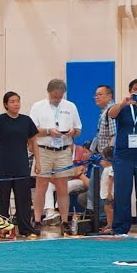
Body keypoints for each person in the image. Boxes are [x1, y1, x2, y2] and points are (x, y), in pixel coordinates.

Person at [0, 90, 40, 238]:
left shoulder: (26, 121)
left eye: (18, 101)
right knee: (2, 199)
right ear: (6, 105)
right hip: (2, 166)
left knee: (23, 199)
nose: (16, 104)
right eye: (12, 102)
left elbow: (33, 141)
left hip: (21, 165)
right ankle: (3, 228)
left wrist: (38, 162)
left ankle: (26, 228)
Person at [28, 78, 82, 230]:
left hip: (64, 149)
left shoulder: (70, 106)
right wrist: (48, 131)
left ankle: (65, 221)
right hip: (44, 149)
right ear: (48, 93)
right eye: (54, 96)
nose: (57, 99)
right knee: (41, 185)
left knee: (62, 186)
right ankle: (38, 219)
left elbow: (78, 129)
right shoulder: (38, 107)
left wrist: (72, 132)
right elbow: (31, 130)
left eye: (60, 96)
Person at [105, 77, 137, 235]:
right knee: (122, 192)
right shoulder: (123, 107)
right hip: (123, 155)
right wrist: (123, 103)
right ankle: (119, 227)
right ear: (130, 91)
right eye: (135, 89)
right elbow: (111, 114)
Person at [89, 84, 116, 229]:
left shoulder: (111, 112)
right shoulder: (103, 112)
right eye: (95, 94)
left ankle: (106, 222)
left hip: (107, 161)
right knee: (97, 191)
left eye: (100, 94)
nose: (96, 97)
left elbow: (114, 136)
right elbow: (99, 135)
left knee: (105, 192)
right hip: (100, 158)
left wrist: (108, 158)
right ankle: (104, 221)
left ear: (109, 96)